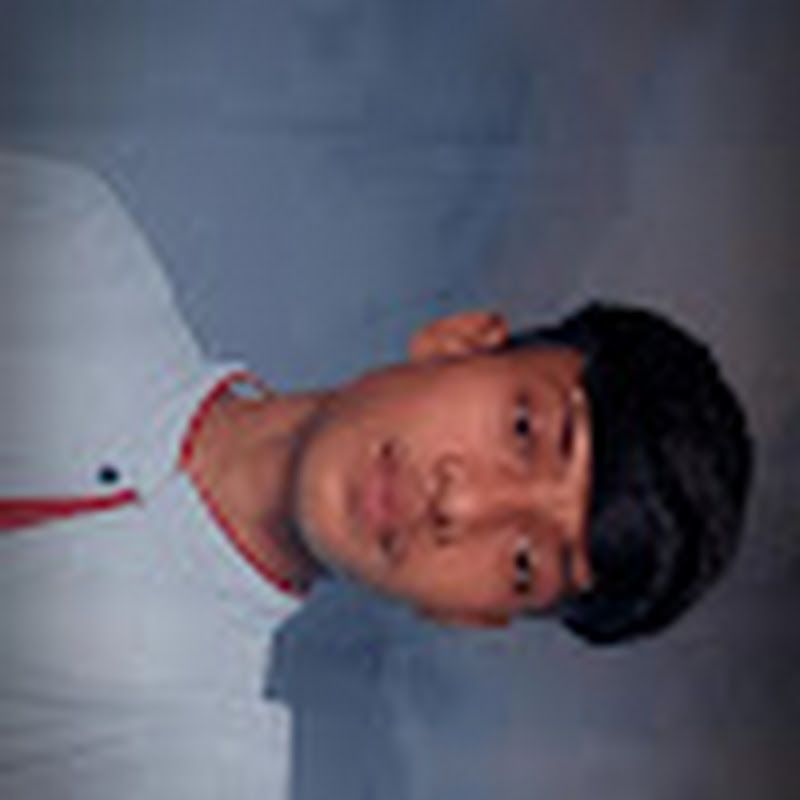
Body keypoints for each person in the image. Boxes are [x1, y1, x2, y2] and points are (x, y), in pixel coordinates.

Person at [0, 152, 752, 798]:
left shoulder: (187, 773)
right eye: (523, 431)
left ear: (471, 617)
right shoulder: (65, 241)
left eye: (524, 564)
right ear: (460, 340)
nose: (461, 504)